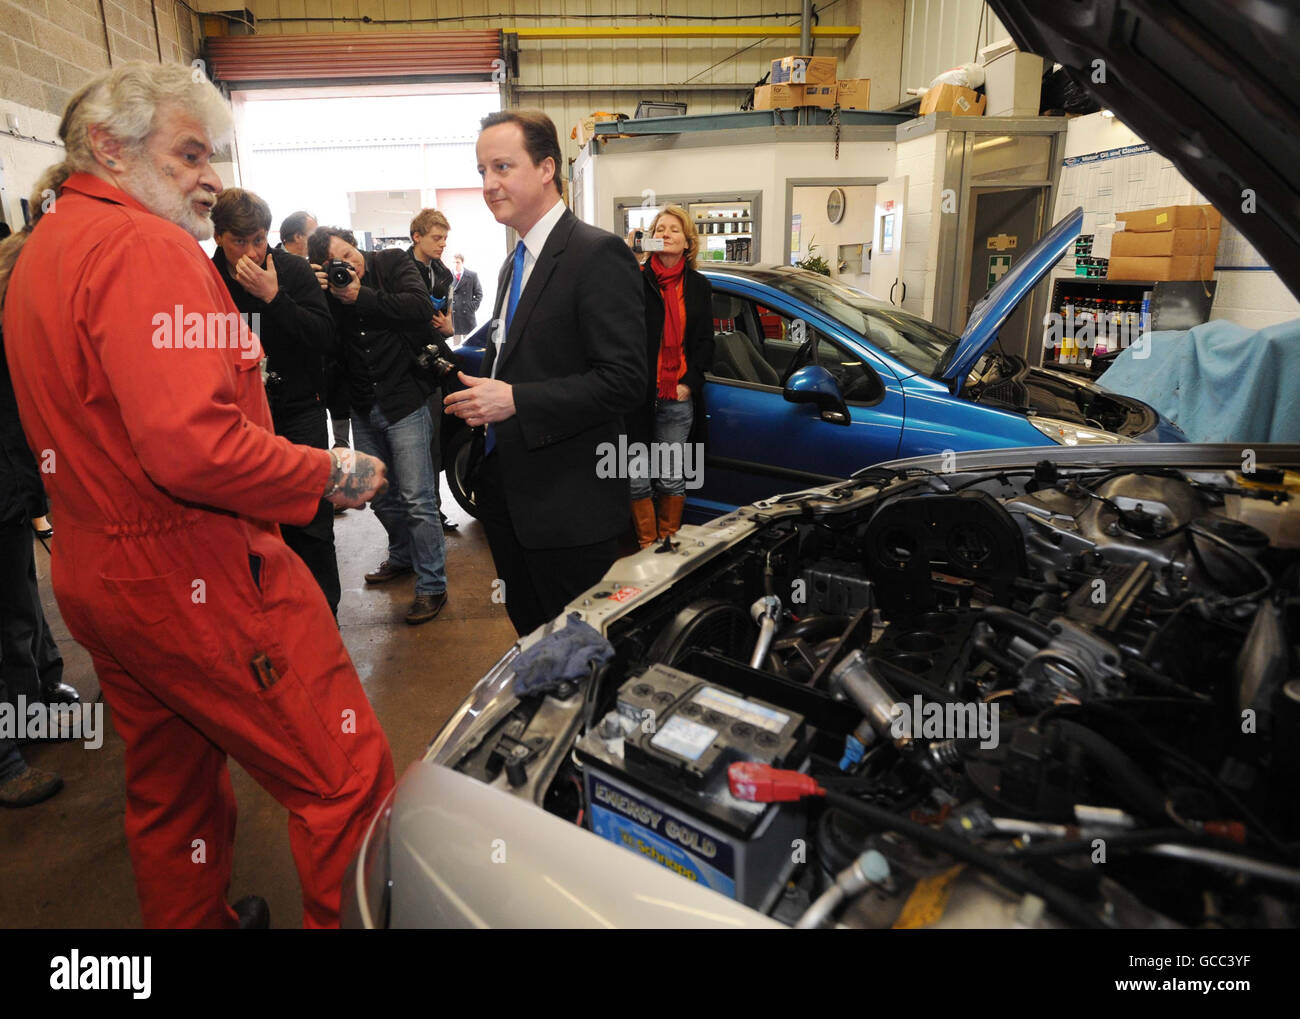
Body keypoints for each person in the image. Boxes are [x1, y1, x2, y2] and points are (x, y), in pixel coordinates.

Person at [0, 61, 395, 928]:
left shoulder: (44, 251)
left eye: (210, 153)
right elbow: (191, 448)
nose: (211, 176)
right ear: (109, 146)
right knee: (346, 780)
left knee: (173, 792)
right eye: (188, 154)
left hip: (102, 574)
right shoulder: (144, 245)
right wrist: (322, 472)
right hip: (195, 566)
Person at [444, 109, 645, 636]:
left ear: (547, 168)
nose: (489, 184)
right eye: (482, 170)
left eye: (503, 167)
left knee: (580, 656)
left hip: (568, 510)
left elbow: (624, 380)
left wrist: (516, 401)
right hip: (509, 499)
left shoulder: (597, 254)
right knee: (535, 641)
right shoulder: (514, 263)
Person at [308, 225, 450, 624]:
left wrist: (360, 295)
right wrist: (324, 296)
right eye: (338, 263)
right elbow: (325, 343)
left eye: (350, 253)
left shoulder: (390, 262)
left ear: (356, 245)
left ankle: (432, 585)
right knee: (380, 495)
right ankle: (403, 556)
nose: (350, 264)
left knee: (419, 501)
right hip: (362, 407)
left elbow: (418, 307)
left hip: (405, 402)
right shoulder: (328, 295)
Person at [211, 188, 342, 616]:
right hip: (236, 424)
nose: (249, 251)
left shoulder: (292, 272)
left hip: (299, 413)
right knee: (247, 529)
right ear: (218, 238)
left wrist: (274, 298)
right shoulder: (203, 279)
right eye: (238, 242)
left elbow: (325, 339)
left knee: (311, 524)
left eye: (258, 240)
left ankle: (324, 622)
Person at [0, 324, 68, 807]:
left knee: (21, 605)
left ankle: (33, 706)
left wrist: (33, 494)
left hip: (9, 494)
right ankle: (4, 762)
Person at [629, 205, 714, 548]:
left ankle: (666, 549)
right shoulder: (636, 281)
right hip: (638, 397)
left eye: (674, 230)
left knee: (669, 477)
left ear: (687, 242)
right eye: (659, 228)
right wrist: (631, 251)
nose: (665, 234)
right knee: (636, 480)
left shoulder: (698, 286)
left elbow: (706, 343)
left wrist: (688, 384)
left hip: (676, 398)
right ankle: (646, 547)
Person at [407, 209, 460, 533]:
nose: (442, 244)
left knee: (433, 448)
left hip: (432, 369)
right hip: (406, 372)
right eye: (436, 238)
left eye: (445, 238)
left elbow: (448, 322)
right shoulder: (398, 269)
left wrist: (448, 327)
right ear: (417, 236)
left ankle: (434, 512)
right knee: (414, 457)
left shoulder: (443, 274)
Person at [451, 253, 483, 345]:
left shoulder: (472, 275)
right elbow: (447, 295)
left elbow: (479, 293)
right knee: (455, 345)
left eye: (457, 262)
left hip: (467, 314)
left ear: (462, 262)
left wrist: (472, 307)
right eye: (453, 262)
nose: (455, 265)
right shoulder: (448, 275)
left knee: (469, 343)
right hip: (454, 315)